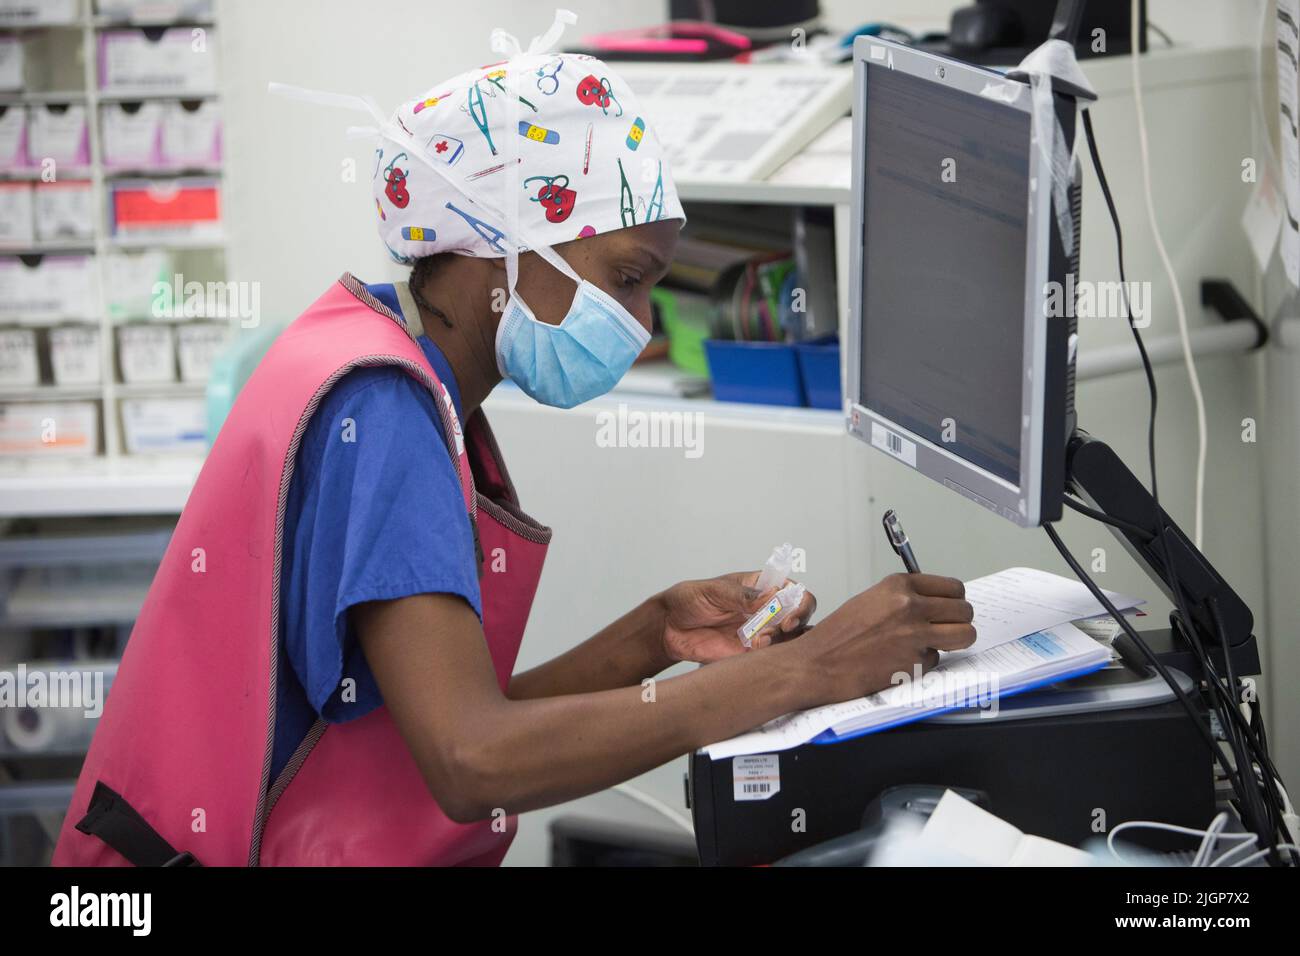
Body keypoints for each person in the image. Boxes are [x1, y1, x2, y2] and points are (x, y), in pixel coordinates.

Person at [54, 14, 974, 867]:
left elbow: (451, 724)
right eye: (628, 276)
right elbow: (472, 764)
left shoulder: (387, 355)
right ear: (502, 239)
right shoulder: (381, 413)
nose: (643, 321)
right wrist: (811, 671)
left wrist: (656, 632)